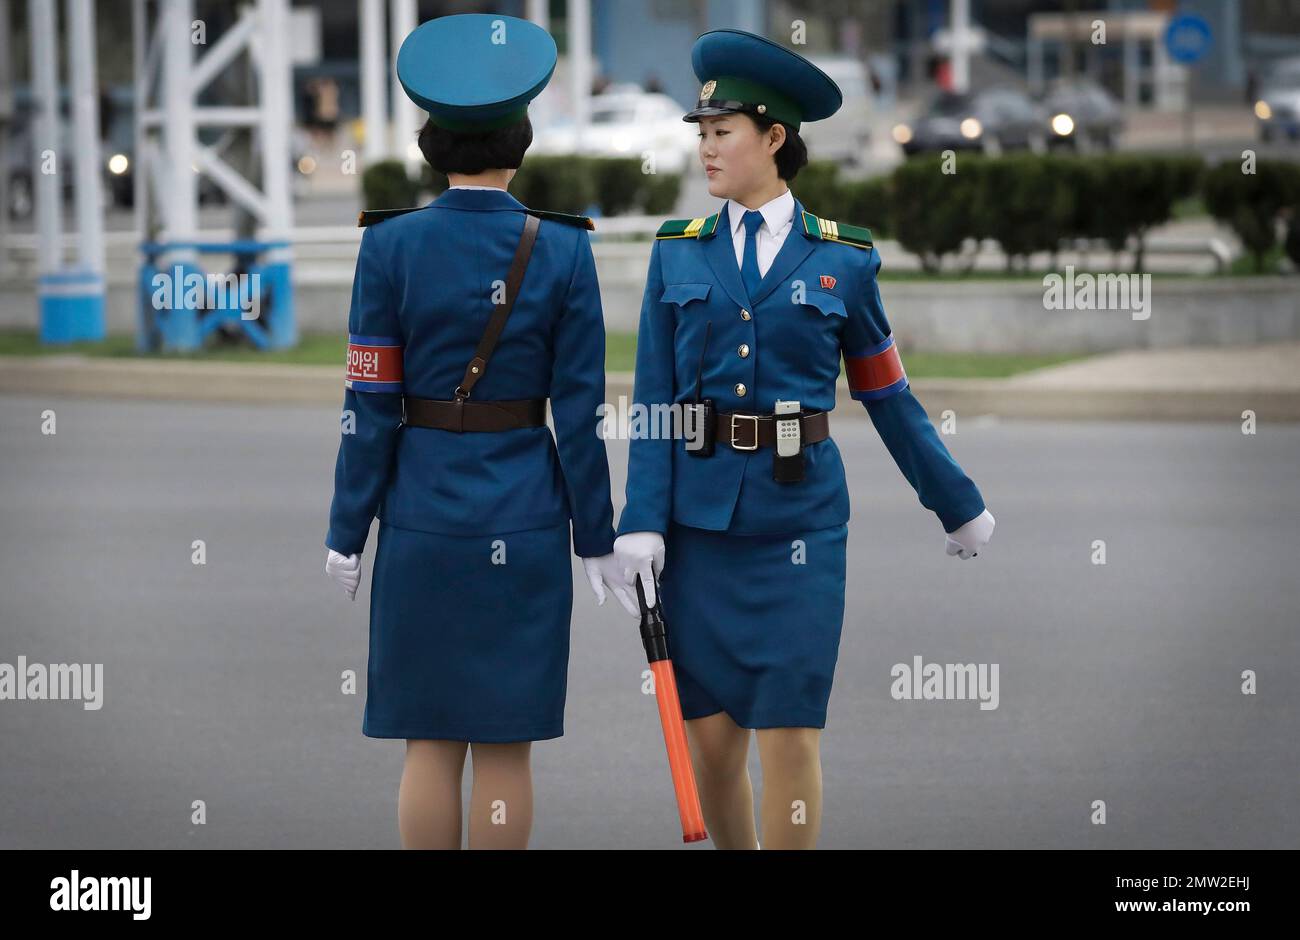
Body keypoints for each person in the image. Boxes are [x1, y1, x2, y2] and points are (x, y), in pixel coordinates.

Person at [613, 28, 996, 850]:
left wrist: (955, 501)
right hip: (698, 529)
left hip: (799, 528)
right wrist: (640, 519)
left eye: (723, 132)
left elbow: (886, 393)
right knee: (714, 747)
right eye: (701, 132)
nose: (706, 148)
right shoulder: (677, 255)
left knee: (790, 734)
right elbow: (652, 402)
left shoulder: (843, 260)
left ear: (774, 138)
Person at [323, 13, 634, 850]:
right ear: (520, 142)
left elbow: (368, 407)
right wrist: (597, 536)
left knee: (429, 741)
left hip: (420, 519)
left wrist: (348, 529)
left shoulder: (388, 245)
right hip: (524, 519)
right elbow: (580, 414)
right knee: (504, 742)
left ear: (431, 145)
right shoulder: (562, 250)